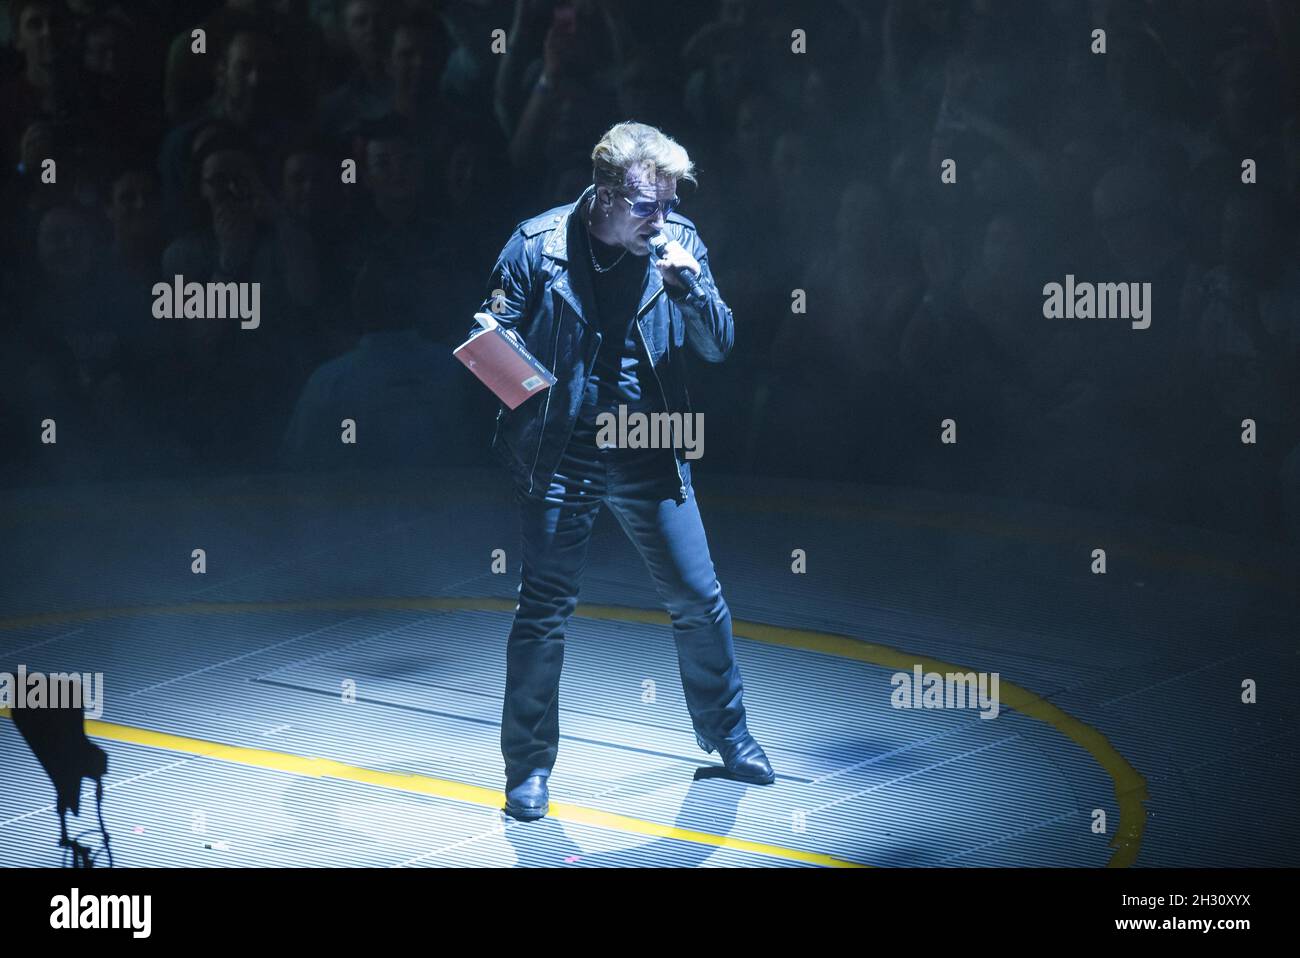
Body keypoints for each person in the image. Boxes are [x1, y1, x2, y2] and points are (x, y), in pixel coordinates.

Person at [470, 121, 774, 821]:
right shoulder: (537, 246)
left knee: (700, 598)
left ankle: (727, 734)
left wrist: (690, 292)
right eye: (646, 206)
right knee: (543, 612)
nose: (660, 220)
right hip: (562, 450)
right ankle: (527, 769)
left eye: (668, 203)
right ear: (605, 195)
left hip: (647, 444)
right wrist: (511, 366)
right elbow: (491, 334)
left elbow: (721, 345)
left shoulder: (681, 244)